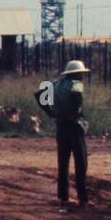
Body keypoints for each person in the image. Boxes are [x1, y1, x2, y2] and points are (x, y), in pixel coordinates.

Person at [37, 59, 89, 211]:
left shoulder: (56, 84)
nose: (82, 76)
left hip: (61, 126)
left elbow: (40, 95)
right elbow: (76, 98)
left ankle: (63, 198)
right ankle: (82, 199)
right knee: (81, 163)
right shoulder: (76, 85)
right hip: (74, 126)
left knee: (63, 162)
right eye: (81, 74)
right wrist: (73, 112)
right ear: (78, 74)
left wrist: (52, 113)